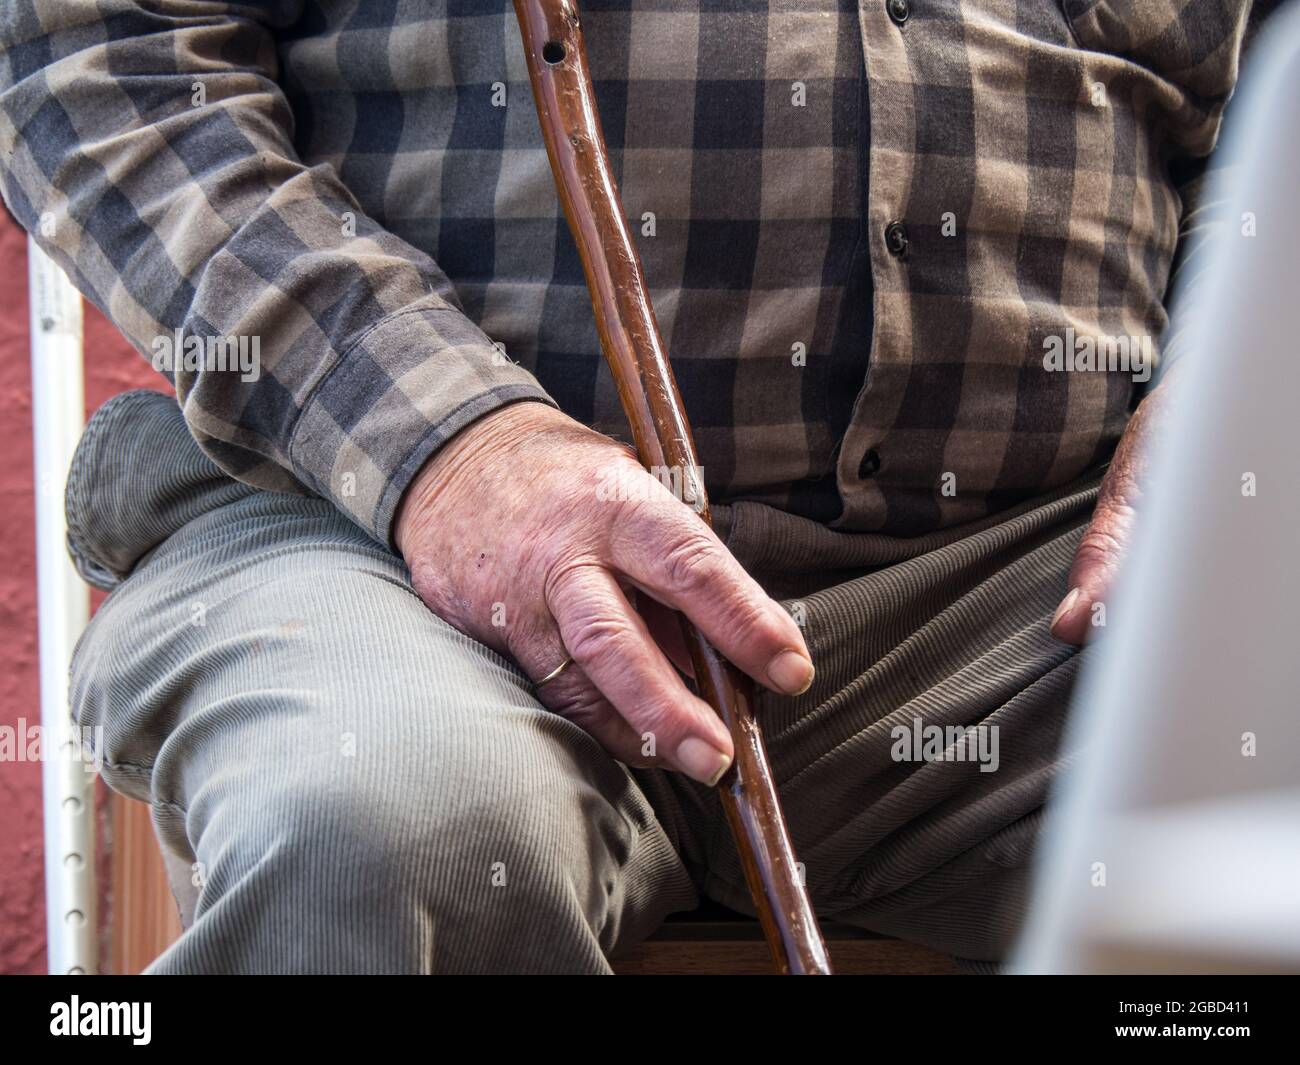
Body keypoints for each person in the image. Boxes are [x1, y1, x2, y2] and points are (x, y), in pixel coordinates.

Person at [0, 1, 1273, 972]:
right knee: (382, 831)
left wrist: (1243, 380)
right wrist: (456, 446)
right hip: (375, 531)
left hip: (1037, 577)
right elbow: (99, 58)